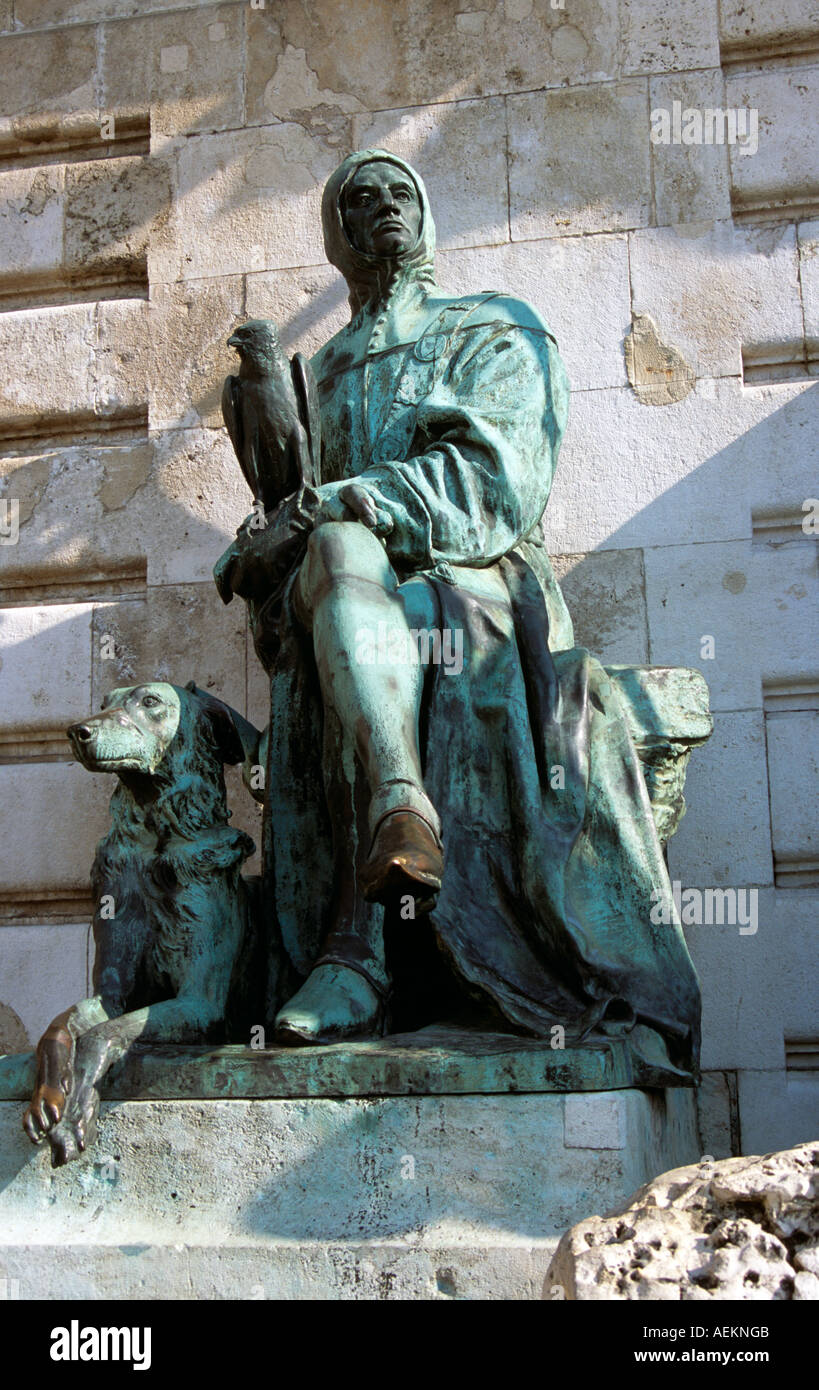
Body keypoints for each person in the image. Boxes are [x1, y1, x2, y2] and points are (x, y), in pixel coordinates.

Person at [215, 149, 701, 1076]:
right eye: (359, 200)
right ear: (338, 234)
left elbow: (494, 483)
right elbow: (304, 504)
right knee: (334, 551)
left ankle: (359, 953)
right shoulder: (323, 372)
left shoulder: (493, 329)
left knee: (350, 553)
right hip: (343, 595)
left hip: (477, 586)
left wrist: (325, 511)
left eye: (401, 192)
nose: (383, 208)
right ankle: (399, 814)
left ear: (426, 214)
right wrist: (270, 529)